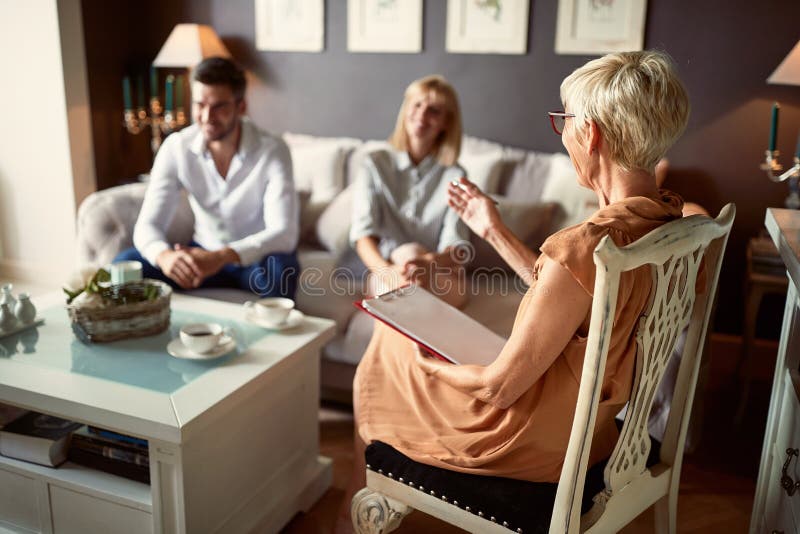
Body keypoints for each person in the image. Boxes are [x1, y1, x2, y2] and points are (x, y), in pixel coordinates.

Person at [340, 49, 692, 528]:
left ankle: (365, 501)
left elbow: (499, 387)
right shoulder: (669, 224)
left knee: (391, 340)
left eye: (563, 121)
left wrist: (436, 364)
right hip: (598, 432)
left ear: (589, 134)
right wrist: (493, 229)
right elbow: (573, 292)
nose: (564, 133)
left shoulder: (584, 245)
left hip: (530, 439)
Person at [116, 57, 300, 298]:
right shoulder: (176, 148)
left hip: (253, 262)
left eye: (219, 106)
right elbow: (147, 226)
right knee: (124, 264)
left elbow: (284, 233)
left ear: (241, 107)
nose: (206, 116)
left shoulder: (273, 150)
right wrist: (166, 257)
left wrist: (222, 257)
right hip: (200, 256)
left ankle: (278, 335)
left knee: (282, 267)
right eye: (199, 105)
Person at [349, 74, 471, 307]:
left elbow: (457, 249)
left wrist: (426, 264)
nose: (422, 115)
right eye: (417, 105)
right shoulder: (374, 164)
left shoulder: (456, 176)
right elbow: (363, 236)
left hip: (437, 271)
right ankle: (419, 341)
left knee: (414, 272)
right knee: (407, 278)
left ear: (447, 122)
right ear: (406, 110)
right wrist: (392, 273)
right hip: (387, 269)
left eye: (434, 110)